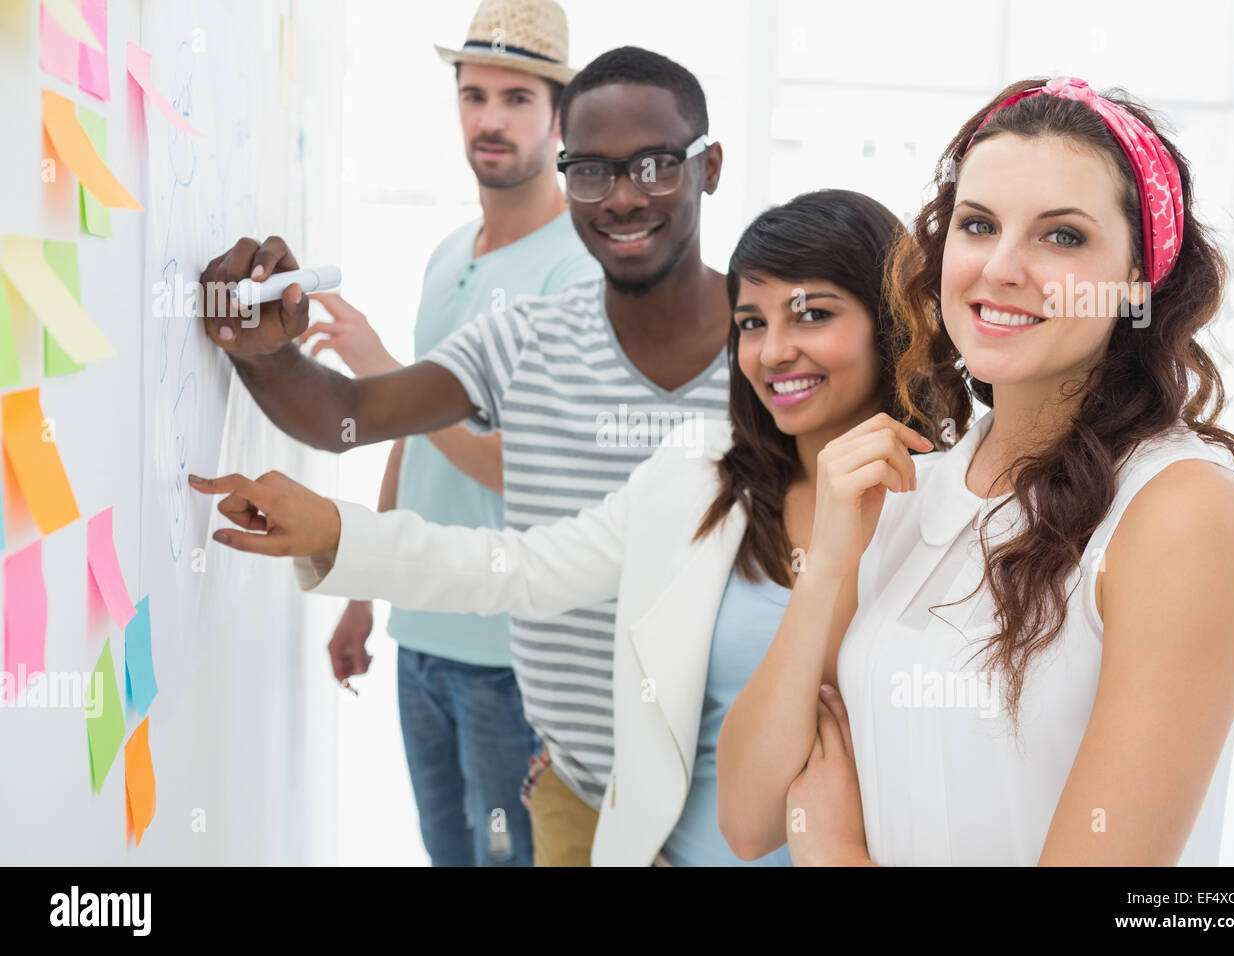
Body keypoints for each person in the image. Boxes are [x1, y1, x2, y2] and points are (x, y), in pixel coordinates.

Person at [191, 189, 921, 865]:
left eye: (813, 314)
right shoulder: (701, 473)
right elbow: (524, 568)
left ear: (893, 322)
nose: (772, 350)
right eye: (752, 322)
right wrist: (335, 532)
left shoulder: (958, 512)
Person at [718, 76, 1234, 867]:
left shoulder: (1182, 509)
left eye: (1063, 236)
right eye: (978, 224)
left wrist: (838, 856)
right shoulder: (909, 486)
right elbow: (749, 819)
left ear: (1138, 280)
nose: (1000, 267)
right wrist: (825, 569)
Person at [198, 46, 731, 865]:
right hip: (573, 785)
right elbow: (352, 414)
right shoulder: (527, 336)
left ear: (711, 167)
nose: (624, 198)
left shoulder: (770, 354)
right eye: (591, 172)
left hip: (727, 803)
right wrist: (263, 353)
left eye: (656, 167)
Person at [291, 0, 600, 868]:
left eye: (515, 98)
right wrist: (363, 589)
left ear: (559, 117)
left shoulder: (580, 273)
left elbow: (538, 471)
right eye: (473, 96)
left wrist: (388, 375)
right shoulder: (446, 253)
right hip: (419, 637)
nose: (489, 119)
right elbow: (408, 438)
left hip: (511, 655)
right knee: (447, 856)